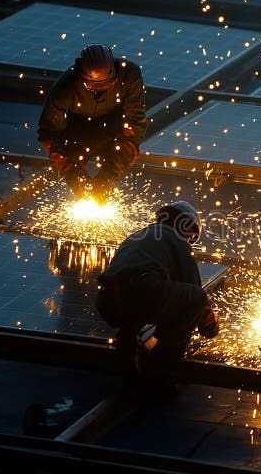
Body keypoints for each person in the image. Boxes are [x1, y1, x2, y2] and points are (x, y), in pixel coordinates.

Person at [96, 201, 219, 397]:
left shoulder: (138, 236)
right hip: (143, 293)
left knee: (146, 297)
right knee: (196, 297)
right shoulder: (176, 239)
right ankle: (162, 367)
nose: (189, 241)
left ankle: (128, 345)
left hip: (107, 302)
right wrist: (210, 327)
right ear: (184, 225)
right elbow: (195, 291)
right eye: (191, 236)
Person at [38, 43, 147, 204]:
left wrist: (107, 180)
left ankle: (103, 186)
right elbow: (50, 135)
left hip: (114, 129)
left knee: (123, 148)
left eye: (105, 87)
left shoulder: (130, 75)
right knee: (69, 157)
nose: (98, 92)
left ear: (114, 73)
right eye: (92, 88)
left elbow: (135, 120)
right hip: (77, 133)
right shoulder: (63, 90)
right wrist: (76, 179)